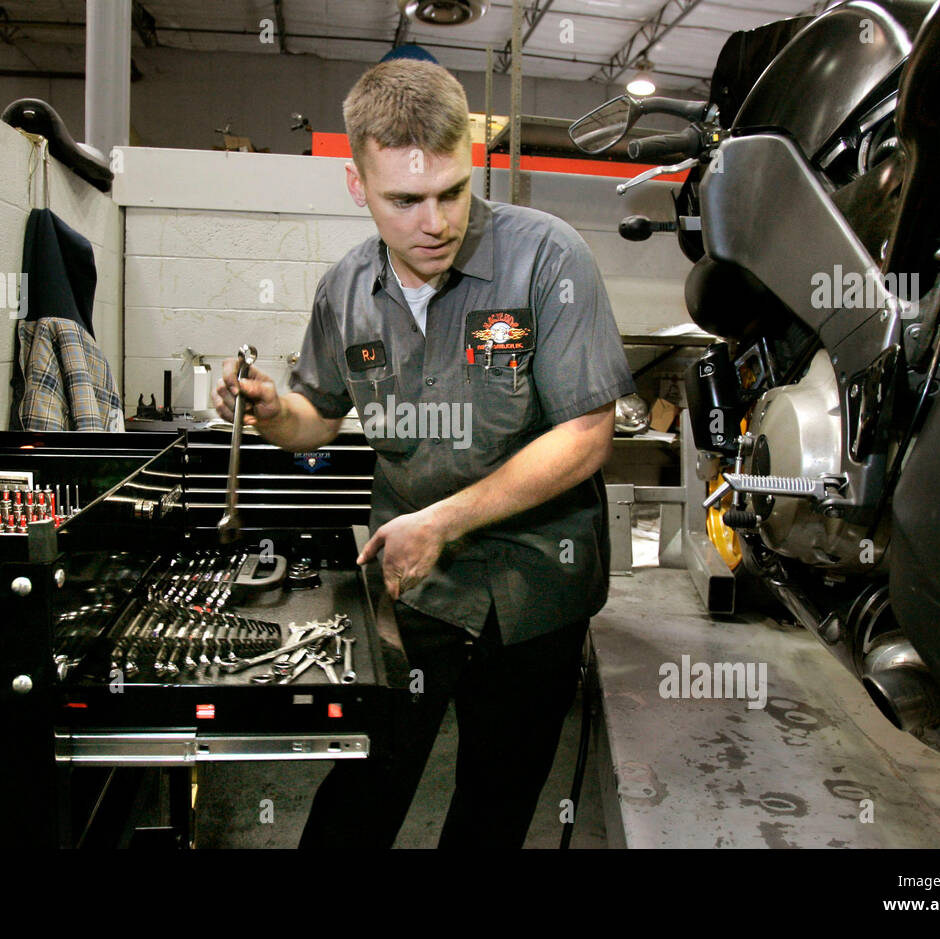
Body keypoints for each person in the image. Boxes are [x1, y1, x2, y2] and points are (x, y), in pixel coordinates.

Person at [213, 58, 635, 848]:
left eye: (451, 192)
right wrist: (272, 410)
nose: (435, 222)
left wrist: (444, 517)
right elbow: (319, 417)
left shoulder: (548, 258)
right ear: (356, 184)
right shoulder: (345, 289)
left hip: (534, 586)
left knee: (494, 802)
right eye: (404, 201)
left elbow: (585, 435)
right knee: (365, 784)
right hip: (415, 586)